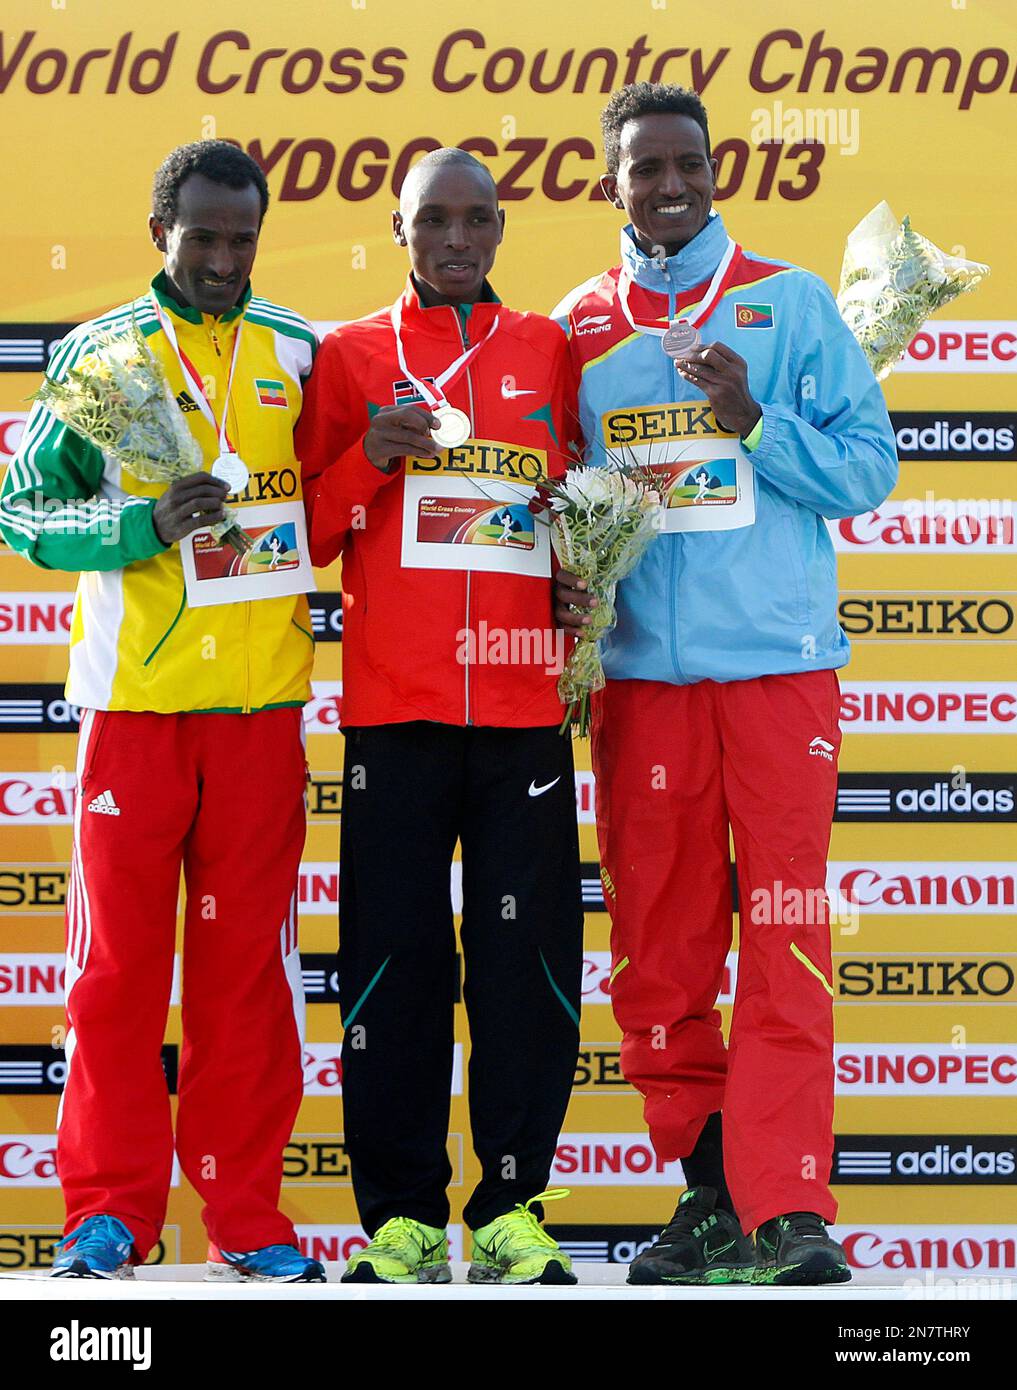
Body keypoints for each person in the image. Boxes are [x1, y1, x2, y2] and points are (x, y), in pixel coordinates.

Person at [553, 83, 898, 1286]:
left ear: (714, 170)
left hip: (778, 678)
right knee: (660, 953)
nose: (670, 185)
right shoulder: (579, 327)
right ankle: (709, 1191)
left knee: (790, 935)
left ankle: (791, 1203)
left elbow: (869, 472)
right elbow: (555, 506)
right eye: (645, 168)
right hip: (643, 687)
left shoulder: (792, 301)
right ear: (614, 183)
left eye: (687, 163)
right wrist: (569, 590)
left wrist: (754, 422)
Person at [0, 141, 325, 1283]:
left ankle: (246, 1212)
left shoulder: (298, 349)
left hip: (258, 713)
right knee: (117, 975)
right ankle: (109, 1211)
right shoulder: (99, 356)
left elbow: (330, 504)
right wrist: (141, 529)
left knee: (246, 978)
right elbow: (22, 511)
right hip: (133, 709)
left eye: (242, 238)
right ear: (161, 235)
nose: (225, 259)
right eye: (203, 239)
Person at [295, 148, 583, 1286]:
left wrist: (581, 567)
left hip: (522, 709)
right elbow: (307, 535)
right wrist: (369, 457)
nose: (457, 240)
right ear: (398, 229)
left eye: (476, 220)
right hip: (396, 716)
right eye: (434, 222)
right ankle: (402, 1219)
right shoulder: (352, 353)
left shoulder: (550, 350)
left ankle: (514, 1210)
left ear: (501, 230)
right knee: (393, 966)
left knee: (528, 967)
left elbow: (584, 505)